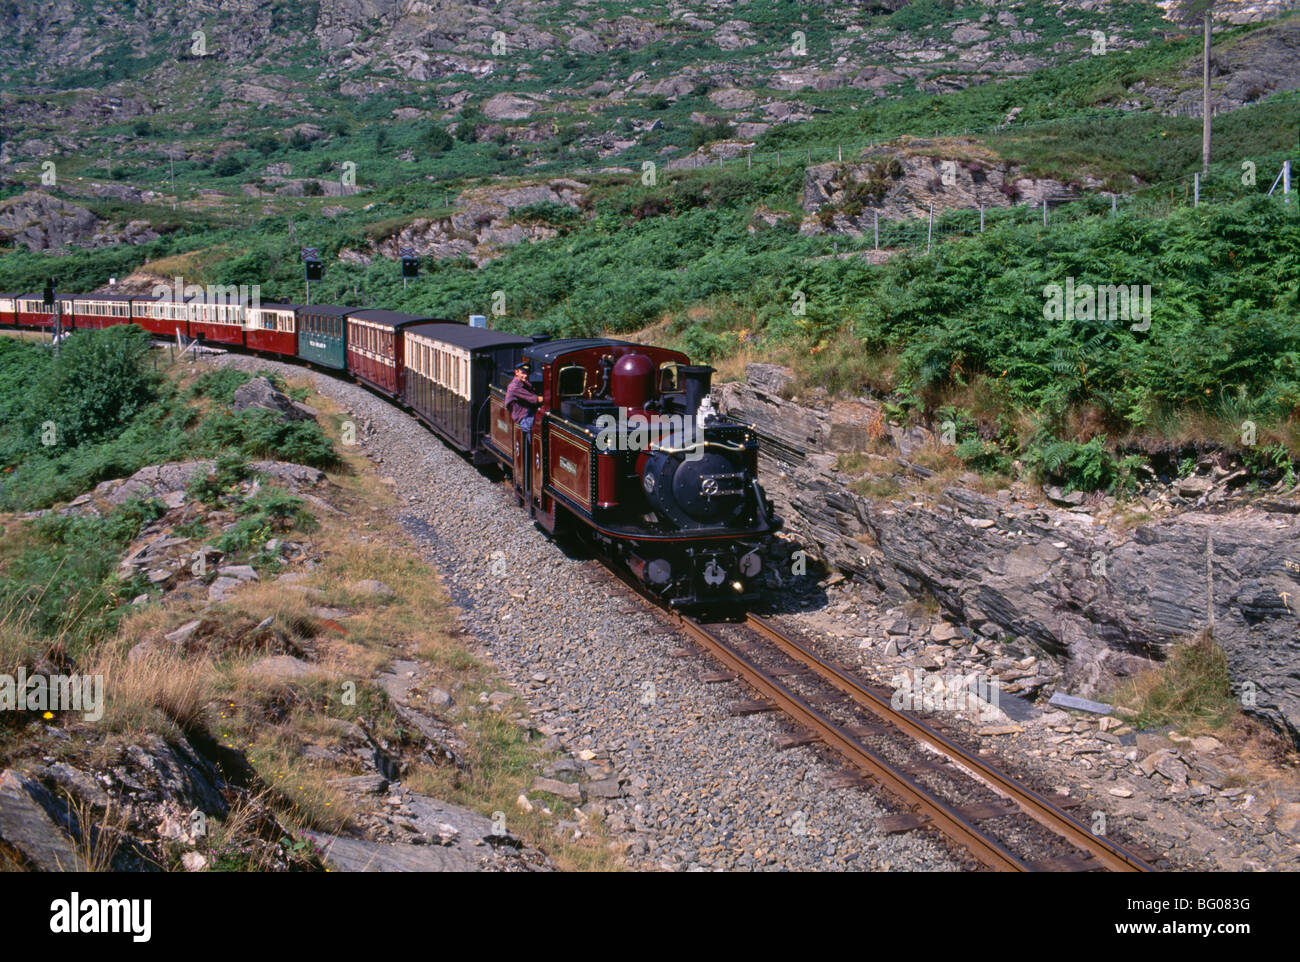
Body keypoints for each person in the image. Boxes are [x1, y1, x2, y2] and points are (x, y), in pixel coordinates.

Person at [504, 361, 542, 432]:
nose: (526, 375)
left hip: (529, 412)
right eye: (523, 373)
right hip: (524, 418)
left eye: (527, 373)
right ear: (516, 372)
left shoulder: (524, 383)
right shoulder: (514, 387)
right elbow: (535, 399)